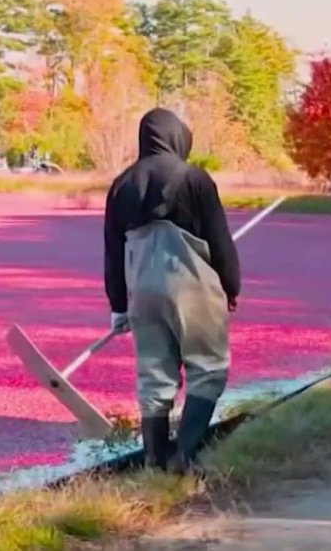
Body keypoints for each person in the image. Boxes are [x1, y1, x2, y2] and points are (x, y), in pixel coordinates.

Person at [103, 107, 241, 474]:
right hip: (191, 283)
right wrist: (231, 285)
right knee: (207, 367)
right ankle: (184, 455)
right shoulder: (194, 179)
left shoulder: (121, 185)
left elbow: (113, 252)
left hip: (142, 289)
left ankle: (152, 458)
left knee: (154, 374)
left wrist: (118, 306)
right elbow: (220, 241)